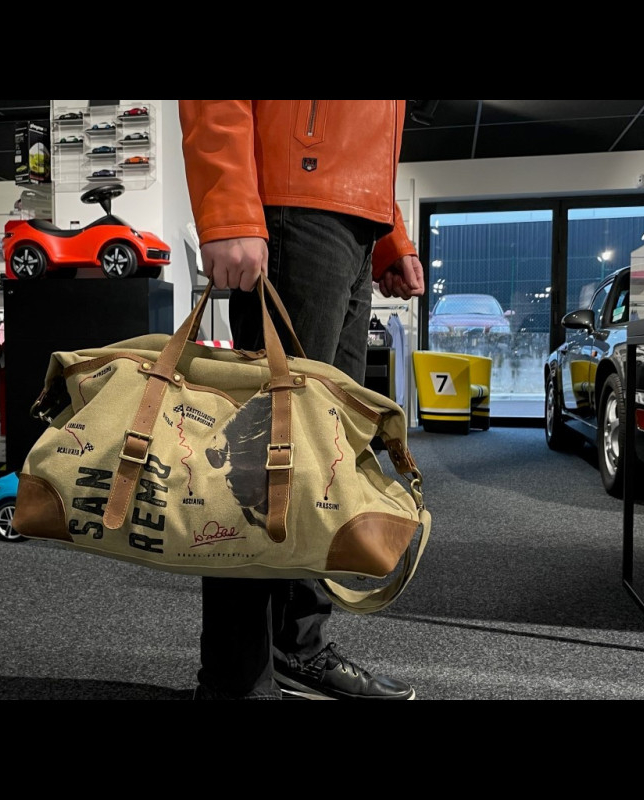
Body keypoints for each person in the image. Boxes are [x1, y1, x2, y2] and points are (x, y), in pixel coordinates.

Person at [178, 100, 426, 701]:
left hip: (352, 220)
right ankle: (235, 681)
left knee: (323, 460)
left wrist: (388, 234)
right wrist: (229, 209)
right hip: (295, 203)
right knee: (266, 461)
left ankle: (297, 648)